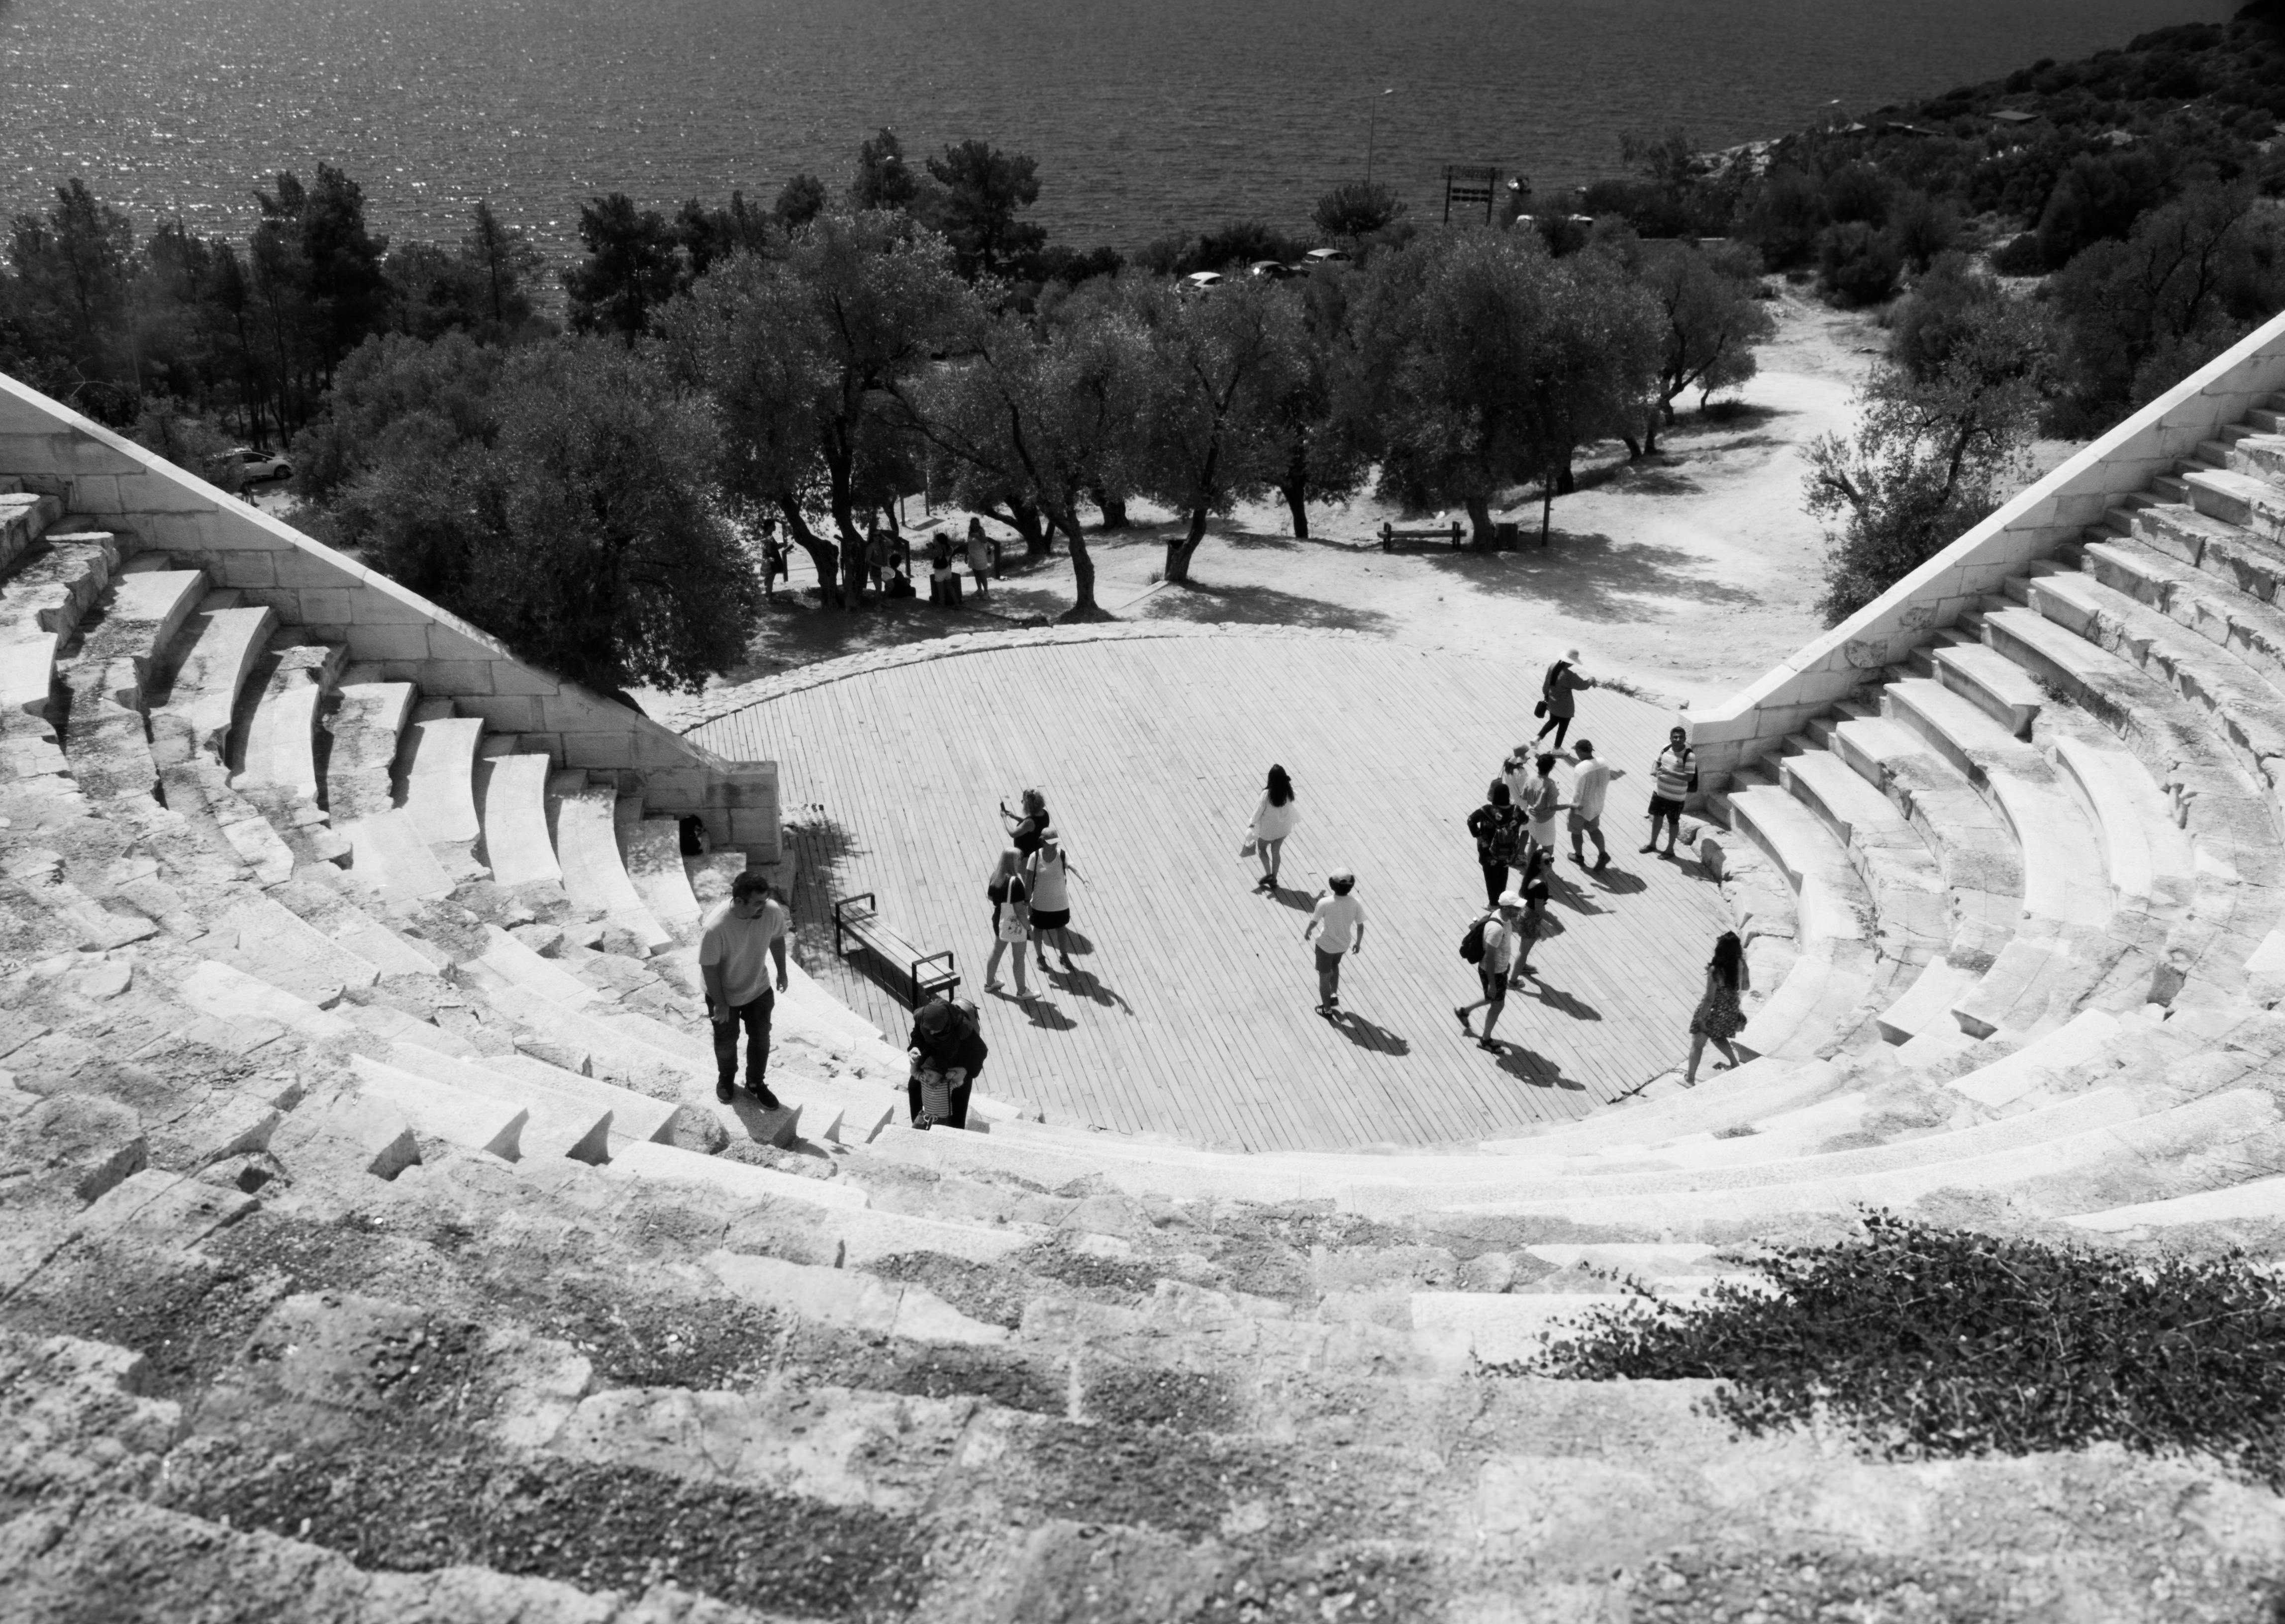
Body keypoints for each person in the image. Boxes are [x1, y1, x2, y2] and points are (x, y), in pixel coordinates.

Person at [698, 871, 789, 1108]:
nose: (764, 906)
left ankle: (755, 1084)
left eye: (765, 899)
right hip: (723, 993)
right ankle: (726, 1078)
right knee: (727, 1040)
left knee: (761, 1038)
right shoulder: (715, 927)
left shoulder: (770, 911)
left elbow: (777, 939)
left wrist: (782, 971)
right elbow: (709, 968)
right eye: (758, 902)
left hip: (758, 988)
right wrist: (721, 1003)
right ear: (739, 901)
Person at [1455, 890, 1525, 1052]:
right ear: (1507, 908)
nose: (1519, 910)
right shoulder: (1496, 929)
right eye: (1516, 908)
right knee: (1497, 1005)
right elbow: (1490, 958)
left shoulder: (1503, 917)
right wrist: (1492, 984)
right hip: (1493, 972)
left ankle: (1464, 1012)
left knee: (1491, 999)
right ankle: (1485, 1040)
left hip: (1499, 969)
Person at [906, 994, 988, 1129]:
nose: (931, 1033)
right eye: (929, 1028)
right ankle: (918, 1126)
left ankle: (954, 1136)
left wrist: (965, 1071)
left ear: (946, 1025)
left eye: (936, 1028)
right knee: (914, 1088)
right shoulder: (924, 1018)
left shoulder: (963, 1028)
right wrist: (914, 1047)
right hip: (930, 1064)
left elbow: (980, 1051)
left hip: (956, 1066)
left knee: (958, 1107)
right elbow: (918, 1035)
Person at [1684, 930, 1751, 1086]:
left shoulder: (1716, 970)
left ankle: (1690, 1079)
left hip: (1714, 1011)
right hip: (1730, 1010)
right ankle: (1735, 1064)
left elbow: (1709, 999)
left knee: (1697, 1045)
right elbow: (1746, 987)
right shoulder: (1741, 964)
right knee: (1717, 1036)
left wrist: (1701, 1018)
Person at [1301, 868, 1366, 1017]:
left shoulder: (1325, 902)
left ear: (1332, 885)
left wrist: (1308, 931)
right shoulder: (1355, 903)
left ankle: (1327, 1009)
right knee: (1334, 965)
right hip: (1343, 944)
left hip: (1325, 945)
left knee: (1324, 977)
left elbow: (1314, 921)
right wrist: (1358, 943)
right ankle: (1334, 994)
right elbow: (1361, 926)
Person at [1559, 740, 1624, 871]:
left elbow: (1578, 792)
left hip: (1581, 808)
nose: (1576, 753)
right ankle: (1603, 854)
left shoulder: (1581, 768)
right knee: (1594, 829)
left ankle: (1579, 856)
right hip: (1597, 805)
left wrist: (1573, 807)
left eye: (1577, 751)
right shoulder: (1603, 763)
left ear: (1580, 751)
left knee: (1576, 832)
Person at [1024, 832, 1080, 974]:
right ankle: (1040, 957)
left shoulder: (1062, 855)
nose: (1055, 845)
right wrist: (1027, 901)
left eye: (1056, 843)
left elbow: (1072, 866)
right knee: (1038, 930)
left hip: (1060, 903)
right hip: (1040, 904)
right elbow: (1029, 881)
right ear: (1043, 842)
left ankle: (1064, 956)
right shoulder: (1034, 857)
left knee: (1062, 929)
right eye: (1052, 843)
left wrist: (1083, 879)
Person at [982, 849, 1033, 999]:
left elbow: (991, 897)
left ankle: (990, 983)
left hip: (999, 919)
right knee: (1019, 958)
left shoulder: (995, 876)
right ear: (1013, 861)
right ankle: (1022, 991)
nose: (1021, 861)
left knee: (997, 951)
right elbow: (1019, 911)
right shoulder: (1016, 882)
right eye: (1019, 858)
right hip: (1016, 924)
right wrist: (1029, 928)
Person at [1466, 782, 1524, 908]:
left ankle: (1493, 904)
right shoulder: (1516, 810)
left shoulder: (1487, 810)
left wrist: (1478, 836)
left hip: (1489, 852)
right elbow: (1525, 820)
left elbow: (1471, 820)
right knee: (1503, 876)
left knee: (1490, 877)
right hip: (1508, 851)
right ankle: (1502, 902)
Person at [1247, 764, 1300, 893]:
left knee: (1262, 848)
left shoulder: (1267, 794)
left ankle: (1269, 876)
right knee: (1276, 851)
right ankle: (1274, 879)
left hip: (1269, 829)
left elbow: (1259, 811)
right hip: (1284, 829)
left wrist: (1252, 823)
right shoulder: (1289, 791)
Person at [1644, 725, 1695, 858]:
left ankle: (1670, 850)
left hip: (1676, 798)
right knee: (1657, 818)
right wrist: (1654, 770)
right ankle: (1653, 844)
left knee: (1673, 822)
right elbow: (1658, 762)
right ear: (1671, 738)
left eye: (1680, 737)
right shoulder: (1665, 748)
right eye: (1675, 737)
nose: (1678, 740)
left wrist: (1668, 772)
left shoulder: (1689, 756)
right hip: (1660, 793)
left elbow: (1689, 777)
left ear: (1685, 739)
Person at [1534, 649, 1595, 748]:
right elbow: (1583, 686)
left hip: (1552, 702)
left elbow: (1547, 684)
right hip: (1565, 707)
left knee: (1552, 722)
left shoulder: (1553, 667)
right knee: (1563, 727)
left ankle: (1537, 738)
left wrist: (1546, 695)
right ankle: (1557, 748)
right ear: (1572, 663)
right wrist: (1592, 680)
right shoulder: (1569, 676)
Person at [1513, 845, 1552, 978]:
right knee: (1523, 952)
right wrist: (1557, 924)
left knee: (1524, 949)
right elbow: (1540, 910)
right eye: (1547, 862)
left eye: (1551, 860)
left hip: (1527, 916)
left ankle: (1522, 966)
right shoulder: (1540, 884)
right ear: (1538, 865)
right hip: (1531, 920)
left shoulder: (1536, 876)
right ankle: (1513, 981)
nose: (1550, 863)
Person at [1523, 753, 1562, 858]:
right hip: (1546, 821)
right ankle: (1544, 870)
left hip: (1532, 817)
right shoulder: (1551, 785)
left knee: (1533, 844)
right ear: (1551, 768)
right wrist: (1570, 805)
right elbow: (1553, 807)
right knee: (1548, 849)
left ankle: (1529, 867)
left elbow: (1524, 796)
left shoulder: (1530, 778)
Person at [1000, 789, 1050, 858]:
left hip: (1026, 856)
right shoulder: (1045, 814)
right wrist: (1015, 817)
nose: (1022, 802)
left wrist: (1004, 818)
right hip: (1037, 851)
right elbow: (1032, 826)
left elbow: (1013, 834)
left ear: (1029, 805)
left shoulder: (1029, 822)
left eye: (1023, 801)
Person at [758, 516, 788, 601]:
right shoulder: (768, 536)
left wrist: (781, 544)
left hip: (767, 559)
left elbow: (774, 546)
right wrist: (777, 547)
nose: (774, 527)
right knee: (770, 578)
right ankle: (769, 597)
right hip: (770, 560)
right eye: (773, 526)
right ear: (768, 527)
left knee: (769, 578)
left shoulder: (768, 535)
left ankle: (768, 593)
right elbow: (770, 551)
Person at [966, 516, 994, 596]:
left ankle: (986, 591)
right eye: (973, 524)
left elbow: (985, 540)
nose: (975, 525)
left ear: (979, 524)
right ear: (971, 525)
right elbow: (968, 544)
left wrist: (976, 535)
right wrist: (966, 554)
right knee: (976, 574)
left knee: (982, 575)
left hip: (980, 556)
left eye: (976, 524)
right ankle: (979, 589)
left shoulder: (981, 531)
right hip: (972, 556)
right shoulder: (970, 533)